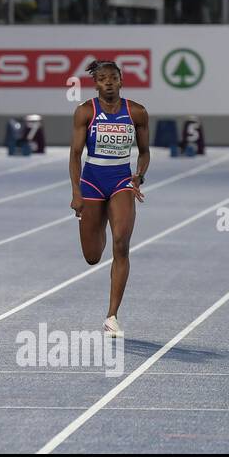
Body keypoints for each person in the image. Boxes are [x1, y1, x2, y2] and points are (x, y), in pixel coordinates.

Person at [69, 60, 151, 338]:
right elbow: (74, 154)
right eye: (102, 78)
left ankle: (112, 316)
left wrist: (138, 175)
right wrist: (76, 193)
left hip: (120, 181)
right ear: (95, 84)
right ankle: (99, 219)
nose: (107, 82)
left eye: (112, 78)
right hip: (92, 182)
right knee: (92, 256)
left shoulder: (137, 112)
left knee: (122, 243)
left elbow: (145, 152)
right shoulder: (85, 112)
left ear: (121, 81)